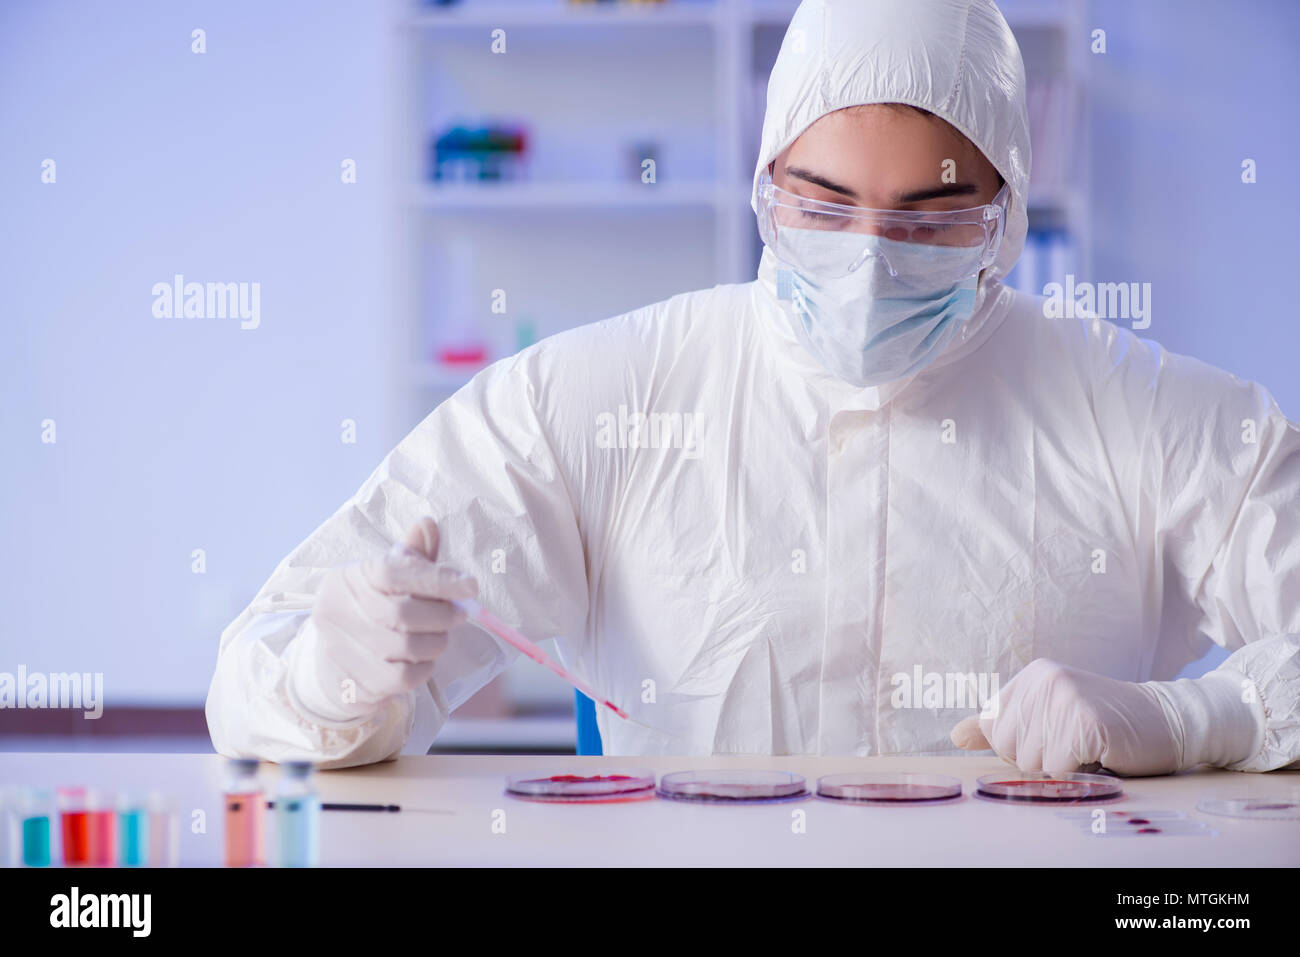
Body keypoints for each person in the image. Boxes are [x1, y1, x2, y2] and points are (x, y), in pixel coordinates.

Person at [206, 0, 1300, 773]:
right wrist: (330, 675)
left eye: (930, 219)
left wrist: (1192, 719)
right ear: (764, 183)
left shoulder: (1145, 412)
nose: (871, 264)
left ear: (1006, 222)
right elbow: (252, 681)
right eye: (823, 206)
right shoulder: (596, 400)